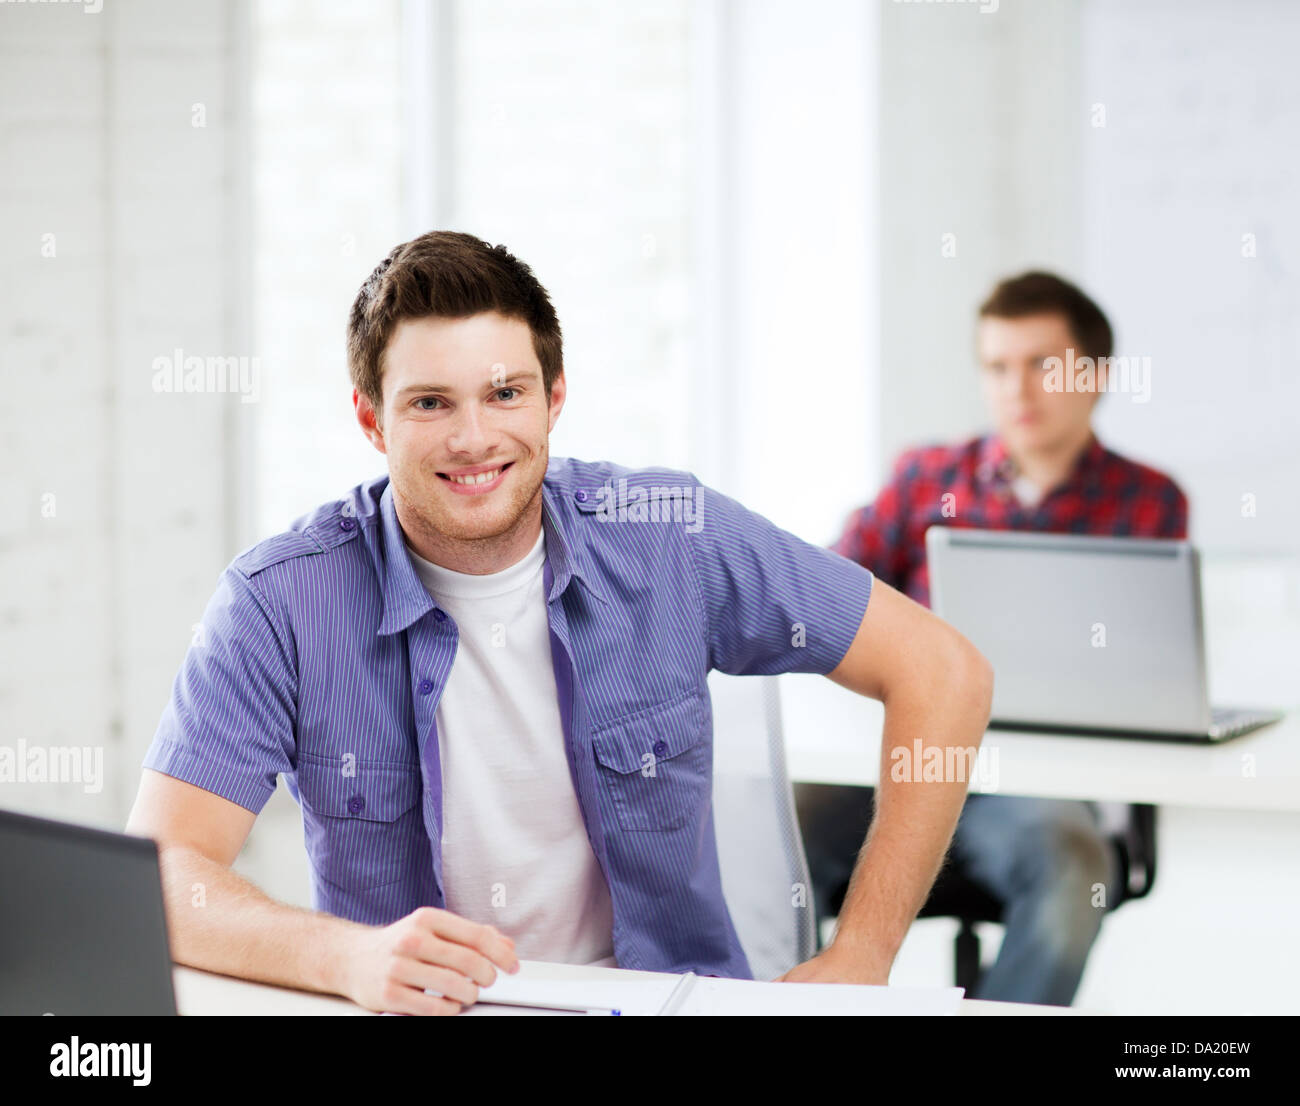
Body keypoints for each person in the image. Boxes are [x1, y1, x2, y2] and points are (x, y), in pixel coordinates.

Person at [125, 231, 994, 1016]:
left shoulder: (668, 534)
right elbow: (165, 874)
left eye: (505, 393)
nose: (474, 437)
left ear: (554, 397)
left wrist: (865, 952)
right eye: (431, 403)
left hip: (661, 1005)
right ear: (370, 417)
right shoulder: (280, 601)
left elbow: (943, 672)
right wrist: (348, 957)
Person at [796, 270, 1188, 1006]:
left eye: (1043, 365)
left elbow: (1150, 672)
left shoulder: (1149, 500)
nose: (1018, 389)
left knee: (1077, 873)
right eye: (998, 367)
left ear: (1096, 375)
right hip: (896, 761)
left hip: (1033, 786)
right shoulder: (925, 477)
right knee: (767, 839)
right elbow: (818, 595)